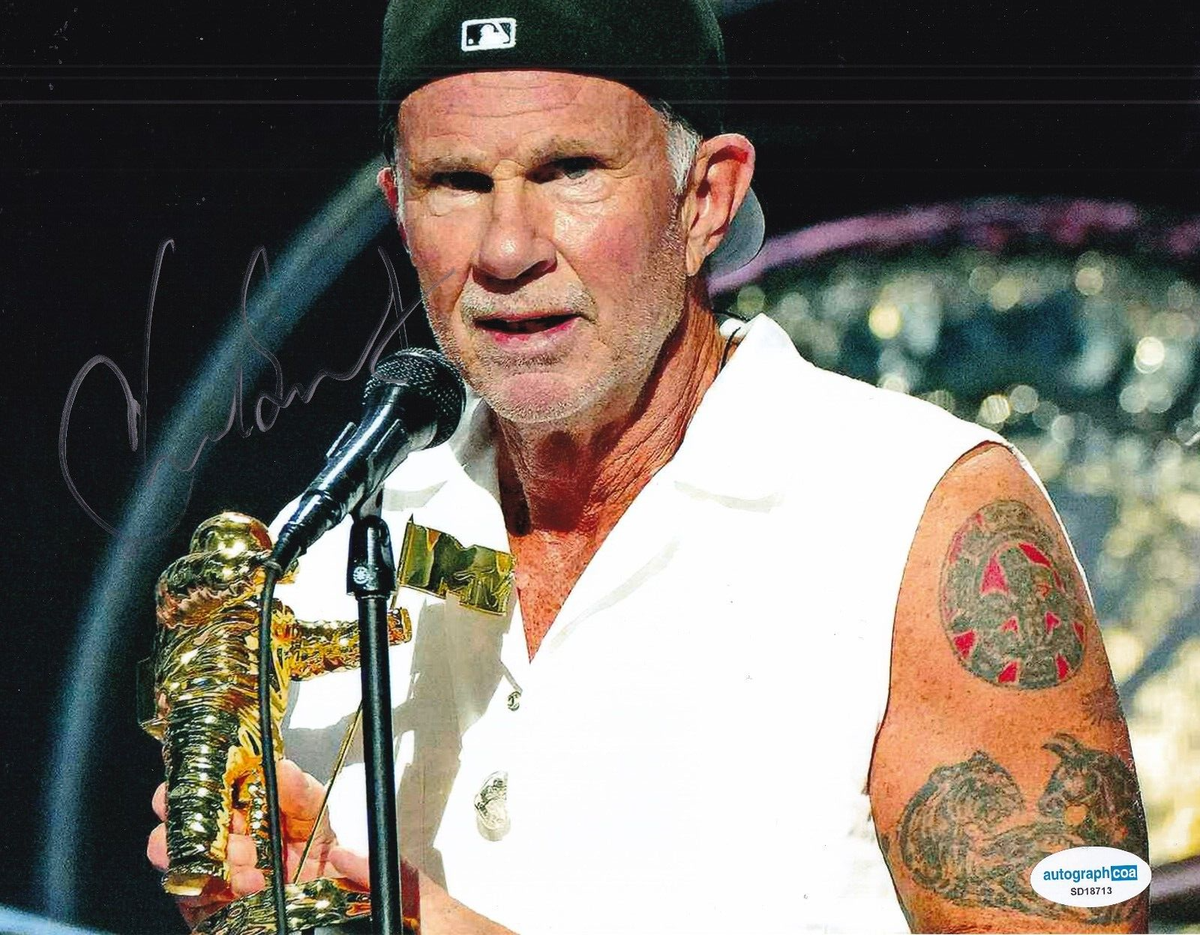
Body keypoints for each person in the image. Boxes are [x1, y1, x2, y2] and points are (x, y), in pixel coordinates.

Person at [148, 0, 1149, 931]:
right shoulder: (327, 553)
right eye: (456, 183)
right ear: (399, 209)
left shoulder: (917, 515)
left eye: (569, 171)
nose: (507, 248)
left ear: (706, 199)